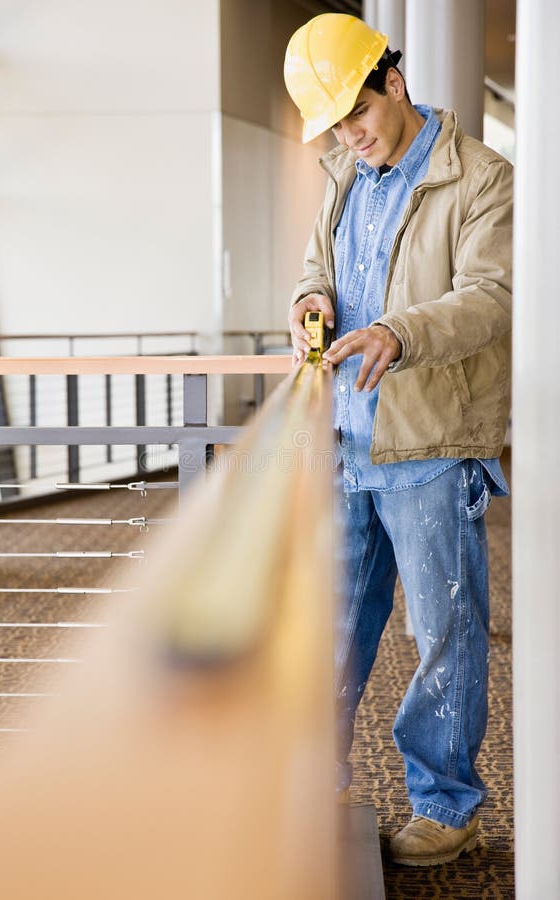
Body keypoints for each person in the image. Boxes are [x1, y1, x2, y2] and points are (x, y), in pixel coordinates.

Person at [284, 13, 512, 867]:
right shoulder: (345, 173)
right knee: (334, 623)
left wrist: (397, 331)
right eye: (336, 124)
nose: (351, 136)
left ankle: (447, 805)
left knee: (444, 630)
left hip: (430, 445)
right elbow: (318, 269)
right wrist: (311, 301)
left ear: (396, 82)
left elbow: (492, 297)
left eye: (358, 114)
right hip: (347, 442)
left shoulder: (483, 179)